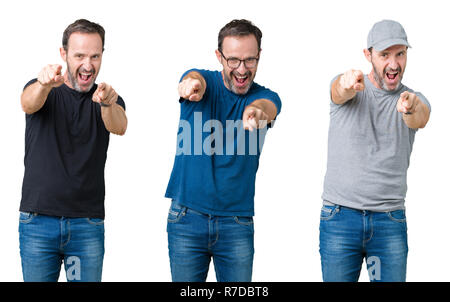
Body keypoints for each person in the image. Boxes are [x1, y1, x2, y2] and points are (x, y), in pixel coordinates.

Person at [165, 19, 282, 282]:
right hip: (186, 218)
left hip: (236, 223)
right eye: (233, 60)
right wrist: (189, 86)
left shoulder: (267, 96)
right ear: (219, 57)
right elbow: (193, 80)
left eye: (250, 60)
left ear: (259, 57)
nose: (242, 69)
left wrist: (257, 113)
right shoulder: (202, 81)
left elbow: (267, 107)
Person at [320, 19, 430, 282]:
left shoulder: (412, 99)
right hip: (339, 219)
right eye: (384, 55)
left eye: (400, 54)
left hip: (388, 224)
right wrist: (345, 83)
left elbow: (420, 117)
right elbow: (338, 91)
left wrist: (412, 105)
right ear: (368, 55)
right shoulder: (351, 88)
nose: (394, 64)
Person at [19, 19, 127, 282]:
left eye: (95, 56)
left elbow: (119, 126)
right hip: (38, 223)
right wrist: (44, 84)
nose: (88, 65)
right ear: (63, 54)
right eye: (79, 55)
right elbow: (27, 103)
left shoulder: (107, 98)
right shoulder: (42, 90)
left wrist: (108, 104)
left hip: (86, 226)